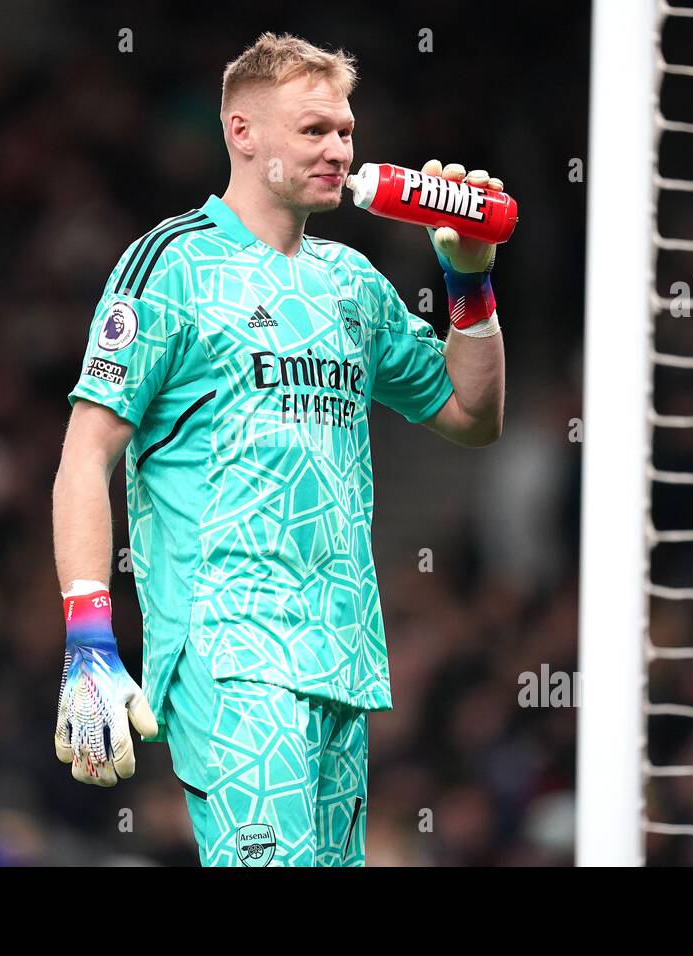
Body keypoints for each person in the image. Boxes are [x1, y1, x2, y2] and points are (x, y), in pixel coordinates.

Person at [51, 32, 507, 866]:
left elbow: (470, 414)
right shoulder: (172, 266)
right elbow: (86, 456)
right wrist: (88, 634)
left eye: (345, 131)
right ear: (241, 132)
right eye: (313, 131)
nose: (338, 150)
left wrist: (468, 281)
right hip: (228, 650)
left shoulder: (353, 284)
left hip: (340, 653)